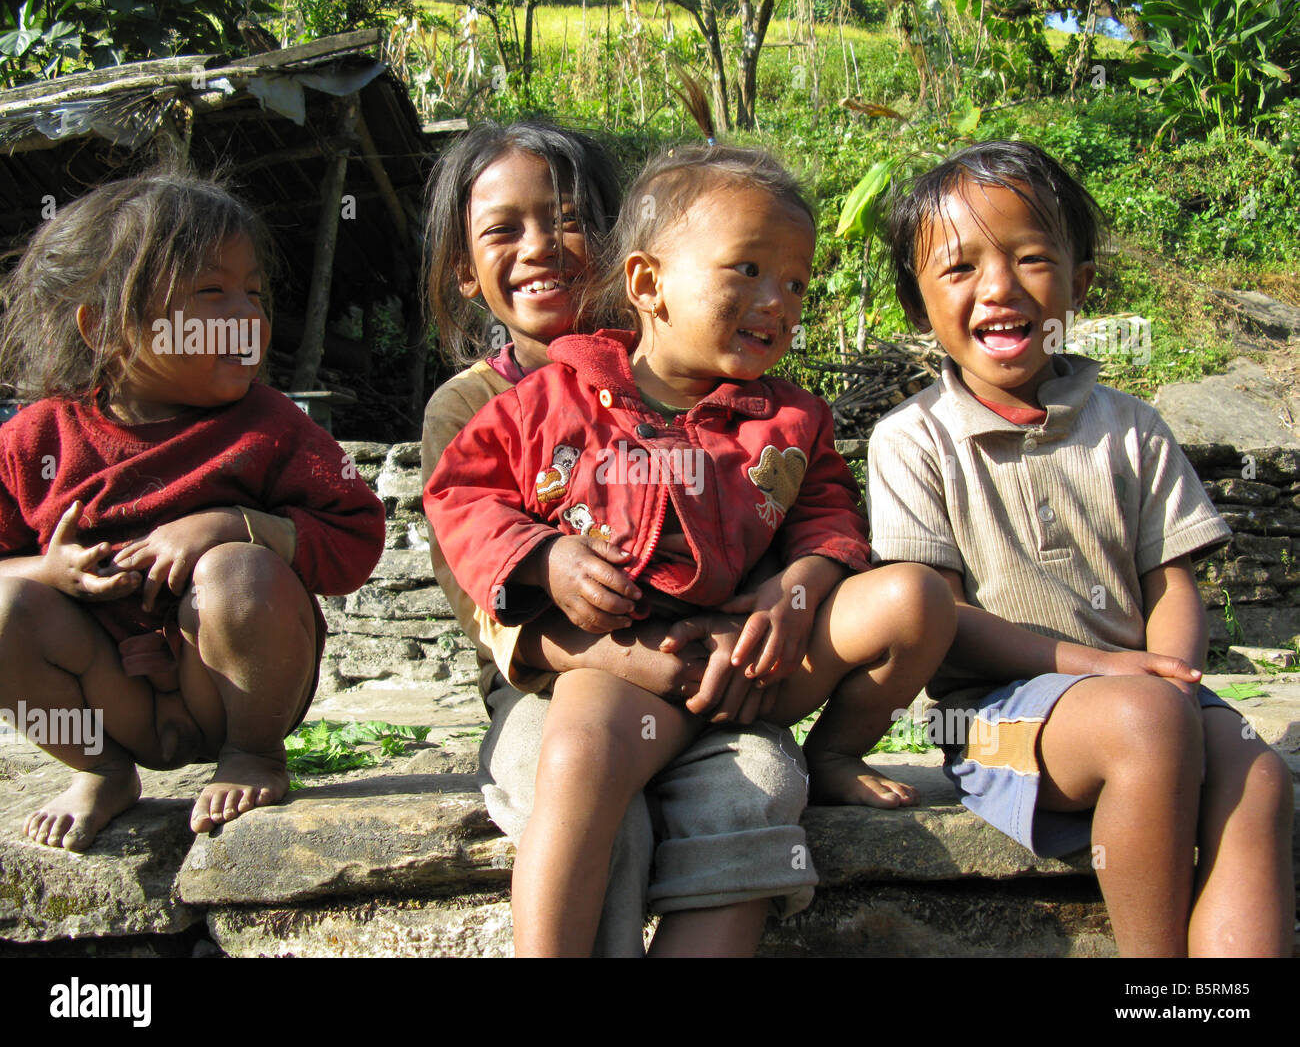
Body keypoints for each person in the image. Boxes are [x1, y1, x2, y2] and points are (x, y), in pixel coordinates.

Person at [426, 143, 954, 956]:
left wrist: (798, 589)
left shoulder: (789, 417)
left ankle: (835, 753)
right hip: (617, 667)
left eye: (796, 283)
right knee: (583, 750)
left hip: (753, 670)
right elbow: (463, 498)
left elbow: (827, 515)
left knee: (913, 600)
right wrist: (544, 559)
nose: (777, 302)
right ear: (648, 283)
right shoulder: (544, 401)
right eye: (748, 270)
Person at [866, 139, 1294, 956]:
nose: (1000, 286)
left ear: (1080, 285)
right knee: (1147, 723)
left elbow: (1170, 584)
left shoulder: (1132, 428)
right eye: (960, 268)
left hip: (1144, 697)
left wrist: (1175, 678)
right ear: (918, 307)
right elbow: (943, 618)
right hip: (991, 722)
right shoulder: (914, 440)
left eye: (1031, 258)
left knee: (1259, 773)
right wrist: (1109, 671)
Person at [0, 169, 385, 851]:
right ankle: (100, 772)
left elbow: (356, 538)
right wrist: (47, 572)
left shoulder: (271, 426)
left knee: (238, 570)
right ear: (103, 327)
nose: (248, 316)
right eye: (212, 293)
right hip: (105, 698)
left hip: (229, 693)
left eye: (255, 293)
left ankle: (254, 756)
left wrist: (236, 527)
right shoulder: (36, 439)